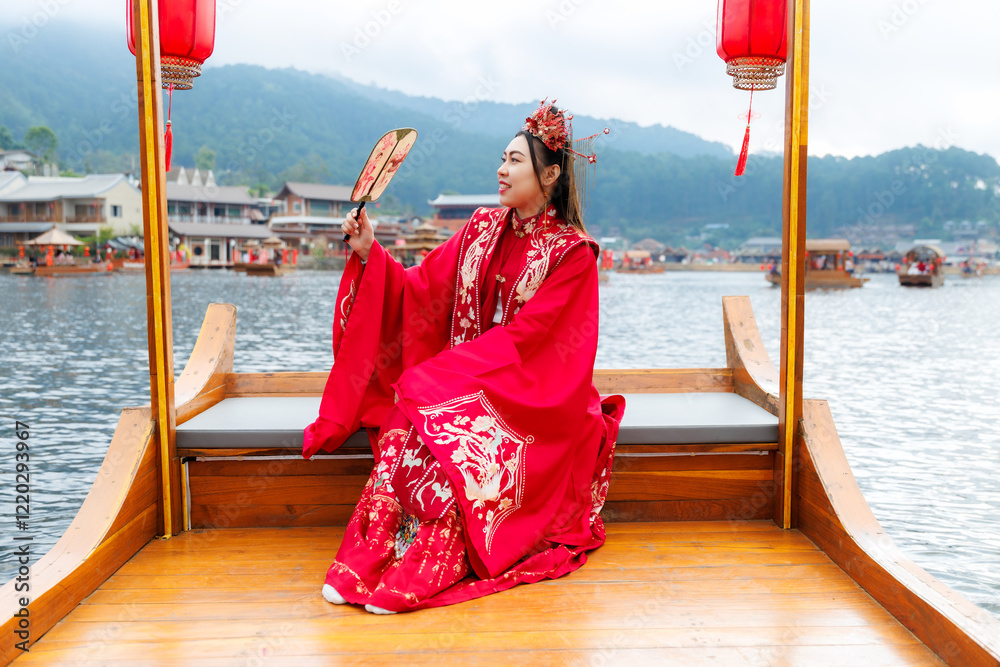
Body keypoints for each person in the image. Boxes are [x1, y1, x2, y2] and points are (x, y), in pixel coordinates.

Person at [304, 100, 624, 615]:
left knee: (448, 420)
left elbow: (535, 344)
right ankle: (366, 560)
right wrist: (370, 250)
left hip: (536, 402)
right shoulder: (479, 228)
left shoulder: (572, 254)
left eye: (515, 161)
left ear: (550, 175)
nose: (501, 169)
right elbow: (419, 292)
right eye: (502, 157)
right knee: (413, 412)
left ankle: (422, 569)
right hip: (472, 380)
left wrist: (449, 376)